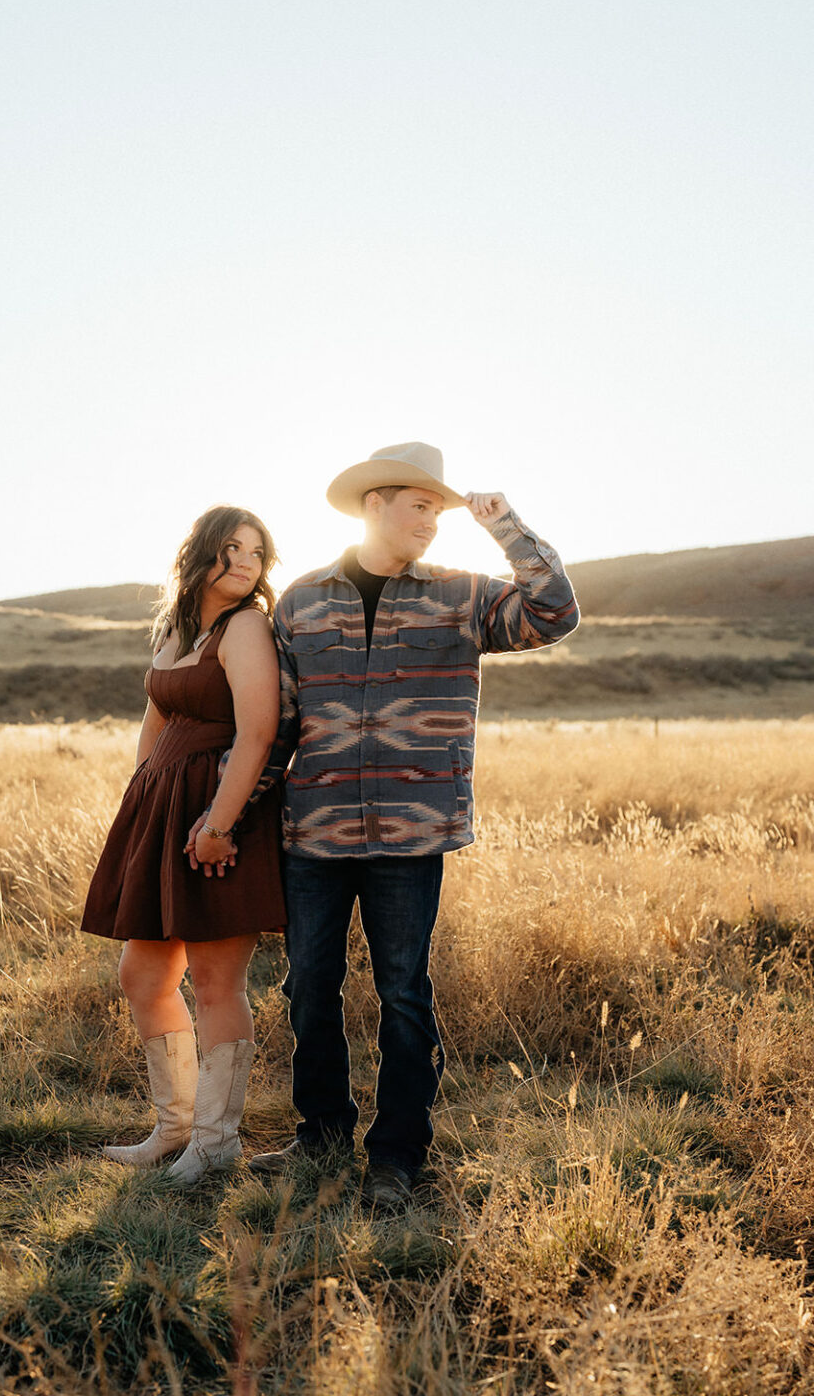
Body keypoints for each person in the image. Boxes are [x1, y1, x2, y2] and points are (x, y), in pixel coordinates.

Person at [241, 442, 580, 1208]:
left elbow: (556, 614)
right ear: (375, 504)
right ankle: (320, 1135)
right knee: (307, 990)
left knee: (402, 992)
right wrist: (244, 817)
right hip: (315, 834)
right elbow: (284, 724)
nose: (432, 521)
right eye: (420, 506)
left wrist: (509, 528)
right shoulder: (299, 601)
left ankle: (396, 1157)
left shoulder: (463, 595)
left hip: (409, 835)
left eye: (438, 509)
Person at [81, 505, 285, 1185]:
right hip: (164, 810)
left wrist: (219, 823)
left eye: (257, 553)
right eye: (232, 548)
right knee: (142, 975)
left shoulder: (246, 626)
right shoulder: (176, 631)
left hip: (219, 811)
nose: (246, 563)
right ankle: (174, 1128)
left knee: (215, 980)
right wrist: (147, 798)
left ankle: (217, 1141)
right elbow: (156, 719)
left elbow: (257, 731)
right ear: (201, 553)